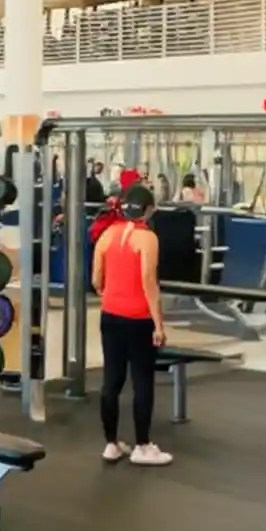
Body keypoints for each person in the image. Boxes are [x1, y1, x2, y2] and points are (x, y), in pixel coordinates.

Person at [91, 183, 171, 467]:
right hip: (139, 319)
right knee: (142, 382)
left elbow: (96, 279)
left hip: (110, 315)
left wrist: (110, 294)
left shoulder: (107, 234)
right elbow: (150, 283)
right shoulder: (148, 239)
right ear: (148, 210)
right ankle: (142, 446)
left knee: (112, 380)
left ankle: (111, 444)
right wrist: (159, 325)